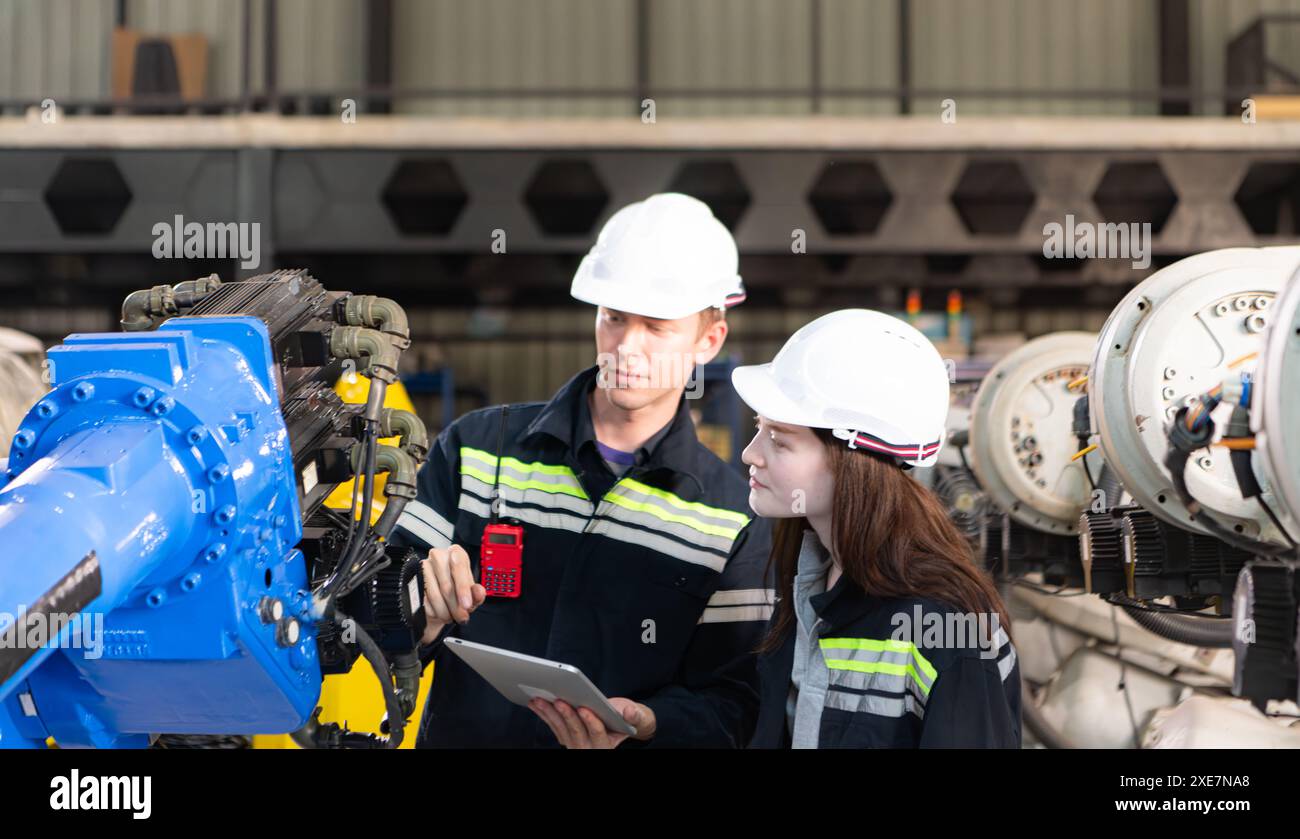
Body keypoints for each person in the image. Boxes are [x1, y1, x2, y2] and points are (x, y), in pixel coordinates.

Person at [391, 193, 773, 748]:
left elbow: (734, 705)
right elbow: (374, 609)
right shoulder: (477, 449)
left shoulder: (733, 517)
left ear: (708, 341)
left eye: (656, 326)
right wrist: (415, 610)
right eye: (614, 318)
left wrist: (650, 726)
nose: (625, 347)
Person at [731, 309, 1021, 748]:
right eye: (759, 428)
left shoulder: (947, 628)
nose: (750, 454)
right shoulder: (804, 577)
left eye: (779, 439)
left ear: (854, 459)